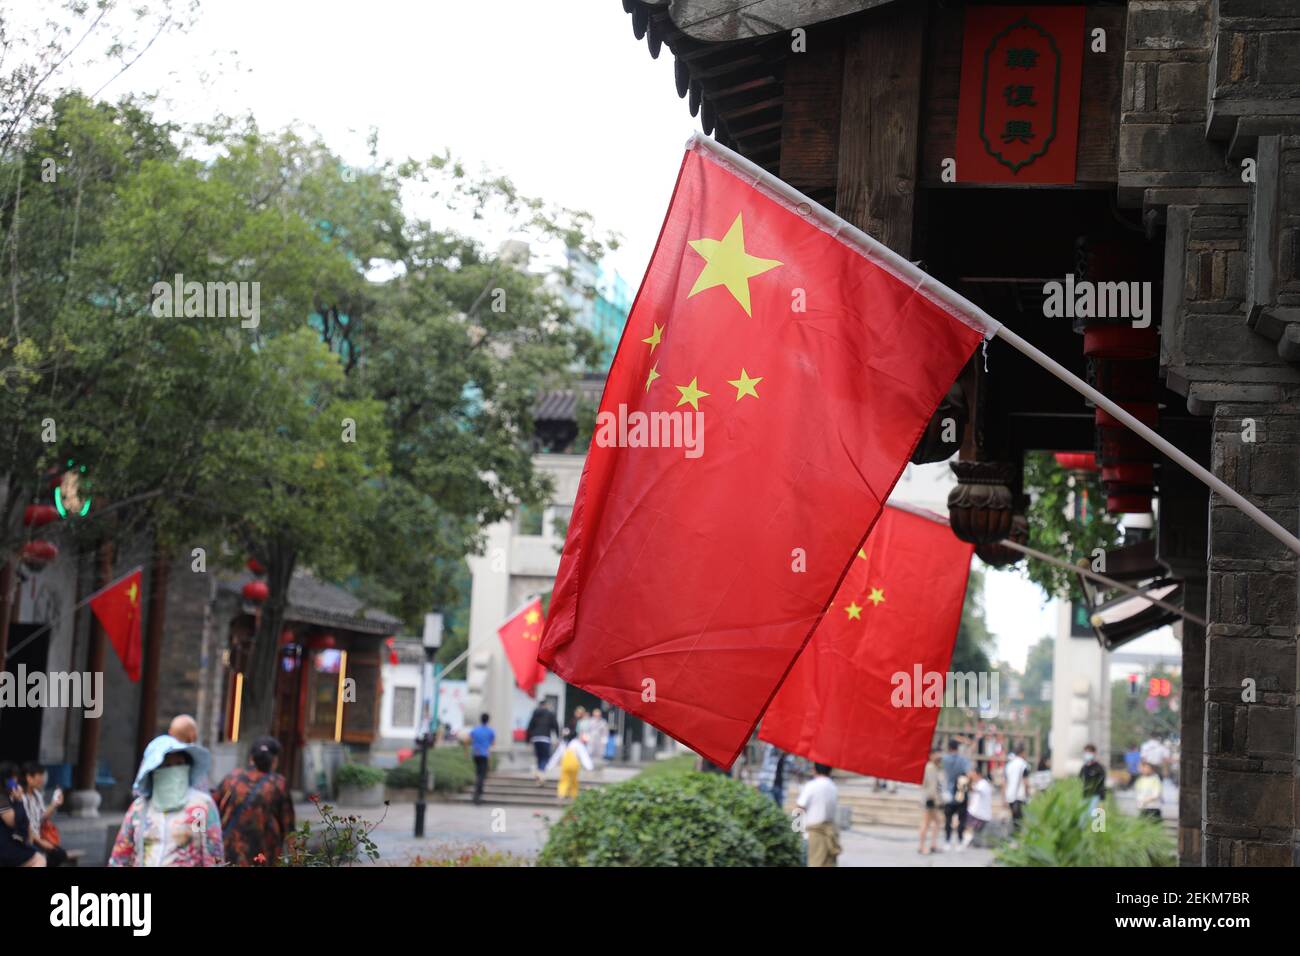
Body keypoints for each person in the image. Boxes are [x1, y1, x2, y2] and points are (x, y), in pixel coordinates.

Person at [110, 735, 223, 867]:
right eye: (167, 765)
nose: (174, 770)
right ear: (153, 771)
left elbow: (214, 855)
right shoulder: (139, 808)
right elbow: (120, 856)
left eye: (179, 764)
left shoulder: (202, 806)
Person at [214, 736, 295, 866]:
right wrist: (296, 860)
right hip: (264, 857)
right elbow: (289, 827)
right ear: (274, 761)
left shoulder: (232, 778)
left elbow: (213, 812)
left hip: (229, 855)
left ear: (251, 758)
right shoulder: (278, 785)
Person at [21, 762, 67, 867]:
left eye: (42, 776)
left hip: (38, 837)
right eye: (39, 776)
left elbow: (43, 816)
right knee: (49, 856)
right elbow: (24, 826)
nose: (42, 780)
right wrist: (41, 842)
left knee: (60, 854)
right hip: (27, 840)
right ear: (29, 777)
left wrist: (55, 804)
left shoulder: (37, 795)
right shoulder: (21, 797)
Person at [797, 763, 840, 867]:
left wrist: (796, 830)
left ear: (814, 770)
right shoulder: (833, 787)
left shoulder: (812, 785)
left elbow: (799, 808)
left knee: (815, 863)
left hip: (815, 833)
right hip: (831, 833)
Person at [0, 762, 43, 868]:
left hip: (10, 844)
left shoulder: (7, 797)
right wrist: (19, 801)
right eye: (13, 778)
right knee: (38, 860)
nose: (16, 781)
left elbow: (24, 823)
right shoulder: (2, 799)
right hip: (5, 847)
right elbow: (13, 822)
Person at [546, 727, 593, 801]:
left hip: (565, 765)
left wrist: (549, 766)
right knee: (574, 781)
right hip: (574, 765)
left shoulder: (563, 744)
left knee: (564, 780)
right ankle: (573, 796)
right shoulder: (578, 744)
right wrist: (589, 767)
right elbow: (584, 756)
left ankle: (561, 795)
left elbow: (556, 756)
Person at [941, 738, 970, 851]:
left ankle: (947, 841)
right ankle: (959, 840)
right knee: (961, 818)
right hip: (961, 791)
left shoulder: (945, 759)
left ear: (949, 748)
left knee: (948, 819)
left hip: (948, 791)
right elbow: (968, 773)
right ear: (958, 748)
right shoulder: (963, 760)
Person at [525, 700, 560, 785]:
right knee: (545, 757)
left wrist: (527, 739)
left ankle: (538, 773)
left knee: (539, 756)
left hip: (535, 738)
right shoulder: (550, 713)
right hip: (545, 738)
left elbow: (530, 725)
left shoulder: (535, 713)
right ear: (546, 705)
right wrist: (558, 737)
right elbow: (555, 725)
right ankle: (541, 774)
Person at [918, 749, 943, 855]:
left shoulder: (933, 767)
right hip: (929, 799)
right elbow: (931, 786)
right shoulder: (930, 767)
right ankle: (922, 846)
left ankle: (933, 844)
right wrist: (935, 800)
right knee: (926, 823)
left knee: (937, 822)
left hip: (931, 798)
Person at [963, 765, 993, 849]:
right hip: (977, 812)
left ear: (977, 774)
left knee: (969, 825)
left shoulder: (983, 784)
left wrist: (968, 781)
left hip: (979, 813)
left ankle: (967, 841)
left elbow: (974, 790)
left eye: (973, 774)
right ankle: (969, 840)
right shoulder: (980, 783)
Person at [467, 712, 495, 804]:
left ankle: (477, 794)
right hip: (484, 754)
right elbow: (492, 743)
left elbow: (468, 739)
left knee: (478, 773)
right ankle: (478, 795)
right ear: (488, 720)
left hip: (476, 754)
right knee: (481, 776)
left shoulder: (475, 730)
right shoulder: (490, 731)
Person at [1003, 743, 1030, 834]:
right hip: (1020, 796)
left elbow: (1005, 782)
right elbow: (1025, 781)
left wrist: (1004, 797)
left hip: (1010, 795)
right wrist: (1027, 794)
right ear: (1022, 752)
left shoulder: (1009, 765)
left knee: (1014, 819)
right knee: (1020, 820)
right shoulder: (1023, 765)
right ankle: (1018, 838)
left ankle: (1014, 836)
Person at [757, 743, 791, 809]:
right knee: (768, 809)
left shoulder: (788, 756)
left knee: (778, 811)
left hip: (780, 787)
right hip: (767, 784)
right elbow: (774, 748)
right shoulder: (771, 748)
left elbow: (791, 766)